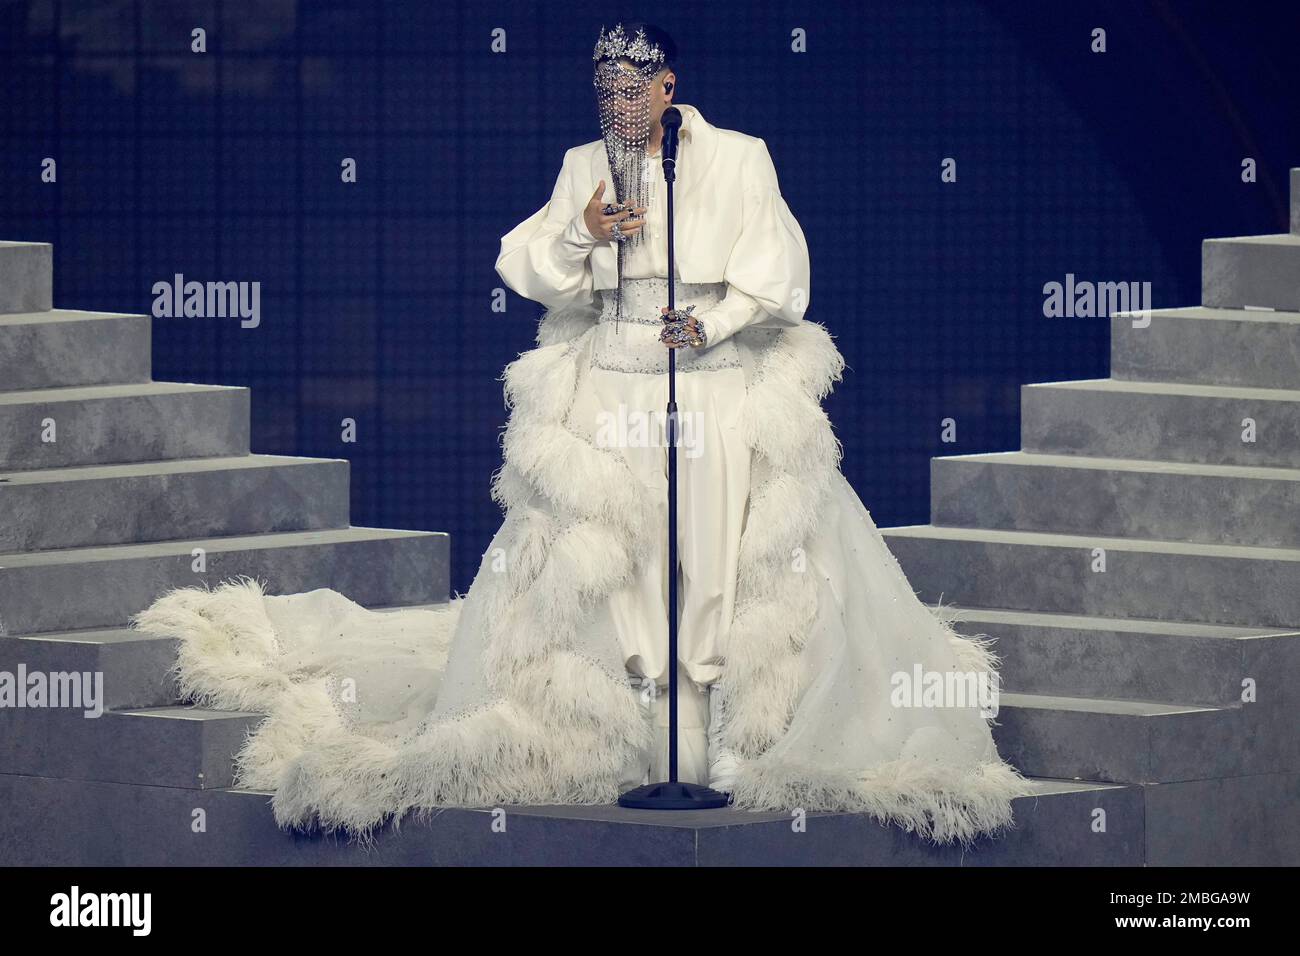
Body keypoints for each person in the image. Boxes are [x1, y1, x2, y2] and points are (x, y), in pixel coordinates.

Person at [132, 21, 1036, 848]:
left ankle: (712, 731)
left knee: (718, 555)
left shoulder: (738, 159)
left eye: (633, 88)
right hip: (611, 387)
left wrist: (709, 327)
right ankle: (630, 731)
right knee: (617, 558)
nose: (618, 104)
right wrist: (583, 231)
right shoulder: (583, 167)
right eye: (605, 89)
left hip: (709, 384)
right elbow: (523, 265)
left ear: (668, 85)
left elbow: (779, 273)